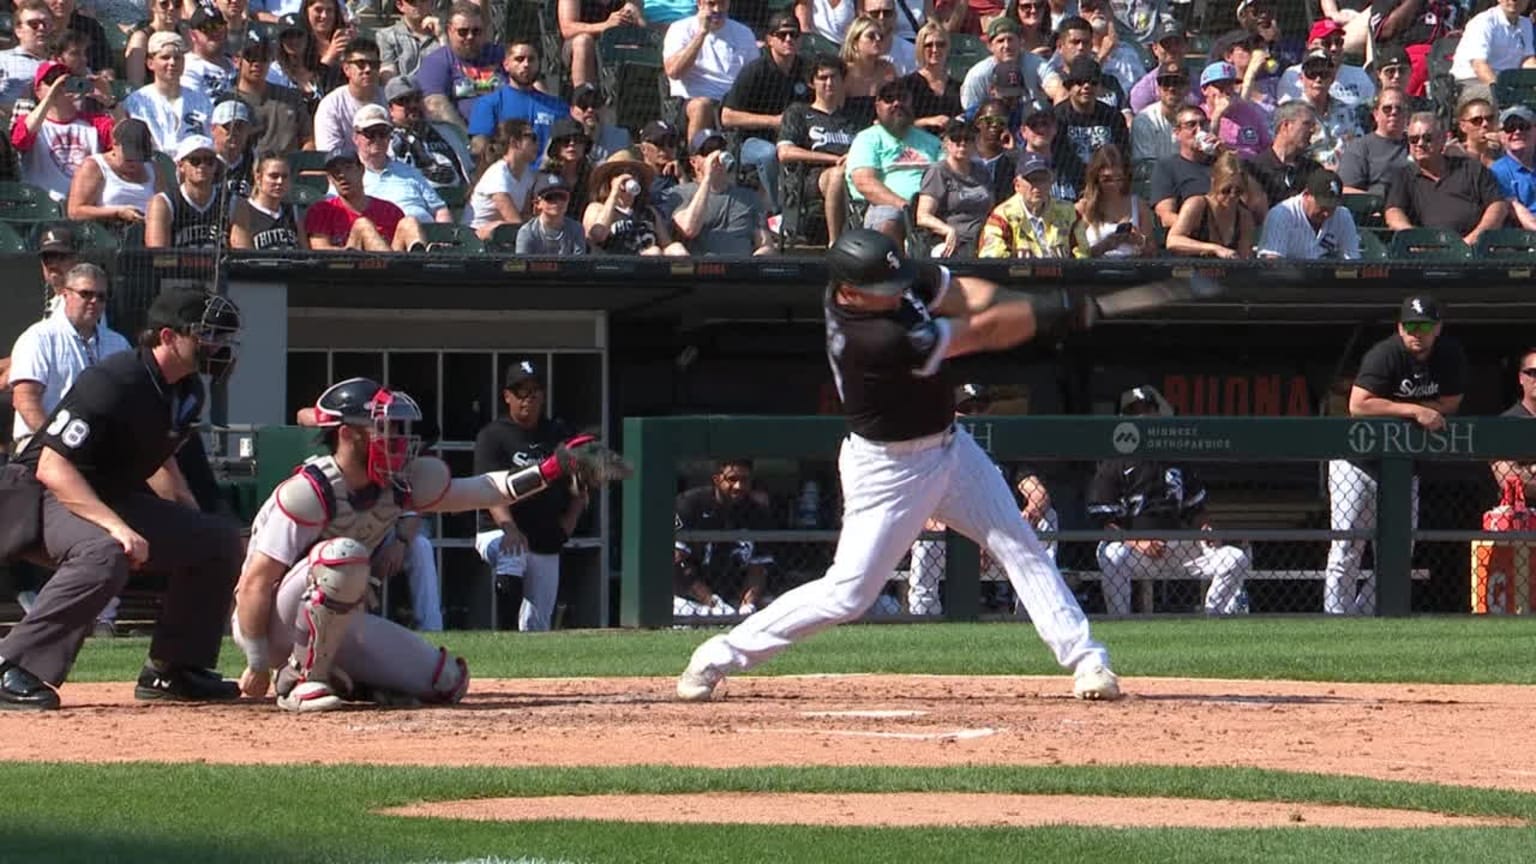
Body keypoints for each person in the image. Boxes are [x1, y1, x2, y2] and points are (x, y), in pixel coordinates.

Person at [675, 229, 1121, 703]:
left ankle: (1087, 659)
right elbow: (985, 331)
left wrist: (1040, 305)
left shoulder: (882, 275)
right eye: (884, 292)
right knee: (847, 595)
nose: (896, 295)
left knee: (1021, 545)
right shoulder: (874, 339)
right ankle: (718, 655)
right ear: (848, 292)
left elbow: (967, 293)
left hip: (952, 448)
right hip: (889, 470)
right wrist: (1049, 316)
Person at [233, 376, 624, 710]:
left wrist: (552, 468)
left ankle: (345, 679)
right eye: (384, 429)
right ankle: (299, 679)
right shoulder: (308, 491)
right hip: (275, 625)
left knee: (447, 681)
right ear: (348, 434)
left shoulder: (399, 482)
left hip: (339, 620)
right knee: (343, 556)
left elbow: (485, 490)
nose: (398, 440)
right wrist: (256, 660)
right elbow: (254, 582)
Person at [0, 288, 244, 710]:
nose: (217, 347)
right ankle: (11, 664)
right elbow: (52, 467)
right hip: (44, 495)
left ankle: (175, 670)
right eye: (206, 336)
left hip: (108, 495)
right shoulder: (114, 379)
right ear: (168, 336)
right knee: (107, 551)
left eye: (221, 337)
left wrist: (194, 525)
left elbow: (162, 466)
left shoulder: (186, 391)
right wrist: (117, 526)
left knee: (217, 541)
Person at [1326, 294, 1464, 616]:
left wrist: (1399, 412)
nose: (1418, 333)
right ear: (1400, 328)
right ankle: (1336, 621)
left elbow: (1451, 402)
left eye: (1425, 326)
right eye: (1411, 325)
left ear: (1438, 328)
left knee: (1400, 548)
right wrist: (1415, 411)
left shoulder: (1449, 355)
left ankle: (1367, 615)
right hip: (1356, 463)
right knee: (1347, 546)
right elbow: (1359, 405)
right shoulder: (1385, 354)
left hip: (1403, 466)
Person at [1088, 385, 1249, 617]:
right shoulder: (1114, 462)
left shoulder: (1176, 459)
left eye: (1148, 409)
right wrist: (1137, 542)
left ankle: (1213, 616)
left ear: (1157, 414)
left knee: (1236, 559)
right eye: (1135, 411)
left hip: (1180, 548)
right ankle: (1119, 621)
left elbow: (1196, 510)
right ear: (1124, 419)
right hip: (1136, 551)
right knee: (1112, 554)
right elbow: (1106, 522)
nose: (1143, 415)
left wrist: (1206, 528)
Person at [906, 383, 1059, 618]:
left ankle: (1030, 612)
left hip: (998, 540)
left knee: (1048, 518)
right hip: (950, 540)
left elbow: (1037, 493)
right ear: (952, 414)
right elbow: (920, 506)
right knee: (927, 538)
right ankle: (923, 614)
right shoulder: (936, 450)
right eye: (967, 409)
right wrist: (967, 536)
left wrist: (1028, 515)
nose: (975, 415)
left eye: (981, 408)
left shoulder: (1001, 449)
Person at [471, 362, 592, 632]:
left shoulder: (557, 433)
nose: (528, 398)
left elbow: (579, 484)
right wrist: (509, 527)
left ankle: (524, 661)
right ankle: (505, 635)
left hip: (546, 534)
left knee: (538, 624)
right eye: (521, 392)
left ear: (543, 395)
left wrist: (568, 523)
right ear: (507, 397)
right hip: (498, 530)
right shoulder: (493, 435)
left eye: (534, 391)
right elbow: (489, 489)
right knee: (513, 552)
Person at [719, 10, 806, 213]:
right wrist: (773, 121)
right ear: (769, 39)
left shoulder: (806, 69)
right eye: (782, 35)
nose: (788, 39)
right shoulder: (755, 70)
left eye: (794, 34)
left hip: (796, 139)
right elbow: (727, 116)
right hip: (752, 140)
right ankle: (778, 212)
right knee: (768, 154)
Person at [1384, 112, 1508, 248]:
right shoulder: (1403, 176)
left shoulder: (1472, 169)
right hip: (1423, 255)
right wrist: (1413, 238)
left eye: (1428, 138)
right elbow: (1393, 212)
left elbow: (1498, 206)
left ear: (1443, 139)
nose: (1420, 144)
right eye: (1413, 139)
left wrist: (1473, 239)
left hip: (1472, 252)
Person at [674, 458, 777, 617]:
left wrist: (747, 604)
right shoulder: (689, 504)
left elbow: (758, 569)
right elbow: (676, 561)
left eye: (745, 480)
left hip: (733, 597)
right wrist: (712, 601)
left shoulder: (757, 512)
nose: (738, 486)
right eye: (732, 479)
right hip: (688, 598)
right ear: (717, 479)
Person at [846, 78, 941, 243]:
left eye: (902, 97)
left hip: (932, 207)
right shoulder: (867, 138)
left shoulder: (931, 141)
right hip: (885, 207)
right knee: (890, 218)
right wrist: (904, 206)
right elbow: (864, 182)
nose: (897, 103)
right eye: (889, 98)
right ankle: (896, 268)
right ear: (877, 107)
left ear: (911, 102)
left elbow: (950, 173)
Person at [777, 55, 858, 244]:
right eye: (822, 78)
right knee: (837, 175)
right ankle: (835, 242)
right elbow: (785, 153)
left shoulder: (854, 117)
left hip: (855, 172)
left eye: (834, 77)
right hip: (812, 177)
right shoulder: (799, 112)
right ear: (811, 83)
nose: (829, 83)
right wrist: (833, 159)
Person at [11, 60, 114, 204]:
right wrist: (51, 94)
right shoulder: (31, 121)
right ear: (38, 91)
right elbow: (20, 140)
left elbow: (126, 145)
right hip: (42, 205)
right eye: (51, 81)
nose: (61, 86)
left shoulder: (95, 122)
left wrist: (111, 102)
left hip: (86, 206)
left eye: (66, 80)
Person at [662, 0, 760, 142]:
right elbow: (673, 71)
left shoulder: (744, 33)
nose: (717, 9)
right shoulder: (680, 29)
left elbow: (754, 77)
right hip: (690, 101)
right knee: (702, 106)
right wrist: (701, 34)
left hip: (732, 103)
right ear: (699, 3)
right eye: (711, 3)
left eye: (722, 3)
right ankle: (695, 159)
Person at [669, 128, 776, 256]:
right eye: (708, 150)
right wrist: (708, 177)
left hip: (740, 270)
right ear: (694, 162)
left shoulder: (749, 197)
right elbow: (688, 229)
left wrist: (756, 262)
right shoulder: (681, 193)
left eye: (720, 148)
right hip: (702, 271)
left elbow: (765, 243)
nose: (716, 154)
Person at [303, 147, 426, 251]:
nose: (342, 175)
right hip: (350, 271)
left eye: (348, 168)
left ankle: (423, 261)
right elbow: (320, 249)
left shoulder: (389, 210)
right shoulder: (322, 211)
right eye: (335, 172)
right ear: (329, 178)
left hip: (398, 270)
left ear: (361, 170)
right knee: (363, 226)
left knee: (409, 222)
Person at [465, 38, 567, 163]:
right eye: (519, 59)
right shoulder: (488, 104)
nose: (526, 64)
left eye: (531, 59)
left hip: (548, 177)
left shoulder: (557, 106)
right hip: (508, 177)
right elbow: (479, 149)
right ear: (506, 65)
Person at [415, 2, 505, 131]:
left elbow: (533, 86)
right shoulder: (436, 61)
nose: (470, 36)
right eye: (463, 32)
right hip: (463, 140)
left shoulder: (500, 55)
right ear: (449, 31)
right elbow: (435, 104)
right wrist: (466, 140)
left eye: (476, 31)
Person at [353, 104, 449, 224]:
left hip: (427, 235)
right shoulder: (350, 176)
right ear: (356, 137)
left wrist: (444, 238)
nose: (377, 138)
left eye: (383, 133)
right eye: (370, 133)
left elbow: (439, 209)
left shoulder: (409, 172)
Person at [122, 31, 214, 156]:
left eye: (177, 58)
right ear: (150, 63)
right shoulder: (136, 101)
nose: (172, 63)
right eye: (165, 57)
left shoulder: (201, 101)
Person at [977, 152, 1086, 258]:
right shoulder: (1002, 216)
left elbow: (1082, 256)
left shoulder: (1069, 212)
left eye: (1042, 179)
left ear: (1051, 182)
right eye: (1031, 180)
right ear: (1017, 185)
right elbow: (993, 260)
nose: (1037, 186)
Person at [583, 149, 688, 255]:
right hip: (616, 266)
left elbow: (666, 244)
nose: (627, 177)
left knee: (675, 247)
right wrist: (614, 194)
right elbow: (597, 236)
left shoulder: (649, 211)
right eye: (619, 173)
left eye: (632, 173)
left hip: (650, 263)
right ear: (609, 180)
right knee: (653, 252)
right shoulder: (596, 208)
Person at [914, 118, 992, 257]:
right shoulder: (938, 171)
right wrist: (947, 230)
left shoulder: (982, 171)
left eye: (968, 139)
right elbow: (922, 216)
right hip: (952, 240)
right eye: (956, 138)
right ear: (947, 143)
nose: (962, 143)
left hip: (984, 237)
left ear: (975, 144)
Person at [1052, 56, 1129, 196]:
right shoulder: (1057, 117)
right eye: (1080, 82)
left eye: (1093, 82)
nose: (1086, 87)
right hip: (1069, 185)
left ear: (1099, 87)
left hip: (1106, 183)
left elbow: (1121, 155)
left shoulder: (1113, 117)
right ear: (1070, 87)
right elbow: (1060, 157)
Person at [65, 117, 157, 231]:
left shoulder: (153, 167)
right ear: (115, 144)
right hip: (108, 233)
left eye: (140, 158)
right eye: (129, 158)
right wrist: (117, 212)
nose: (135, 163)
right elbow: (75, 212)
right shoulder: (94, 166)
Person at [233, 29, 314, 155]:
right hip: (247, 171)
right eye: (251, 56)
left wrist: (301, 165)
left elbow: (308, 139)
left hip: (290, 169)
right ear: (237, 60)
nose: (257, 63)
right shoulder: (229, 102)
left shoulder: (290, 97)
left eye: (263, 57)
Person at [385, 76, 472, 190]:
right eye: (404, 101)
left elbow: (470, 169)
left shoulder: (449, 131)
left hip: (461, 200)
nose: (413, 105)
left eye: (417, 98)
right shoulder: (385, 141)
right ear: (391, 108)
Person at [1167, 151, 1254, 260]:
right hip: (1192, 270)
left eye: (1238, 191)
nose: (1232, 196)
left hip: (1227, 273)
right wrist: (1214, 248)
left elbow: (1244, 254)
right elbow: (1173, 240)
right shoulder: (1197, 204)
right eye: (1226, 190)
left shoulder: (1243, 216)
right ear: (1214, 183)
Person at [1257, 169, 1360, 260]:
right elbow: (1272, 264)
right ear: (1306, 195)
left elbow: (1352, 260)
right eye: (1322, 207)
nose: (1326, 213)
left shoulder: (1343, 215)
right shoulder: (1281, 214)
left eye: (1332, 208)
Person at [1449, 0, 1536, 105]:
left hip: (1510, 83)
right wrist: (1501, 92)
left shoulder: (1526, 24)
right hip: (1471, 83)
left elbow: (1527, 60)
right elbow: (1479, 66)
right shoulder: (1483, 21)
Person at [1075, 144, 1154, 258]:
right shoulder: (1083, 208)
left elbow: (1152, 252)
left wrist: (1139, 241)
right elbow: (1074, 254)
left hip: (1131, 269)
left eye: (1119, 178)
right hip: (1093, 270)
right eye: (1107, 179)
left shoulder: (1138, 206)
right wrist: (1106, 245)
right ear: (1096, 179)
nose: (1114, 185)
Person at [464, 118, 537, 239]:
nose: (537, 144)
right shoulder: (498, 175)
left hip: (504, 236)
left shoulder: (527, 174)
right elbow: (515, 222)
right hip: (474, 238)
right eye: (532, 138)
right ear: (514, 142)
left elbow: (525, 215)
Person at [145, 135, 222, 248]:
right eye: (195, 161)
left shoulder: (231, 203)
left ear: (215, 165)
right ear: (181, 166)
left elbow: (243, 256)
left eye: (209, 161)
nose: (202, 165)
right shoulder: (163, 203)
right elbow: (157, 255)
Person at [1246, 100, 1323, 208]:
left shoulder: (1313, 170)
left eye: (1313, 125)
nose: (1312, 130)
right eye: (1306, 124)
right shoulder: (1254, 168)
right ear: (1285, 126)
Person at [312, 38, 383, 152]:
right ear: (346, 69)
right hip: (346, 168)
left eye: (374, 64)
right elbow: (329, 152)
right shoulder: (330, 105)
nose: (368, 69)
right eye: (360, 64)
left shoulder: (389, 99)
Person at [960, 16, 1042, 114]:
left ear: (1021, 42)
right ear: (990, 46)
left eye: (1010, 39)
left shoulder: (1034, 65)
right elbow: (970, 113)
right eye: (1000, 41)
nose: (1006, 46)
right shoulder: (977, 75)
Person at [557, 0, 644, 90]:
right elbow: (567, 29)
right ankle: (584, 99)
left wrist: (633, 18)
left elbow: (642, 27)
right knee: (583, 42)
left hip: (613, 44)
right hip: (576, 46)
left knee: (638, 45)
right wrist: (605, 26)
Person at [1336, 90, 1409, 196]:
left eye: (1399, 109)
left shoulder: (1416, 144)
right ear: (1376, 114)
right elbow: (1345, 189)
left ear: (1406, 114)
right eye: (1387, 109)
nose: (1394, 112)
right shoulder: (1360, 147)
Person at [230, 152, 308, 248]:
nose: (280, 182)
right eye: (273, 176)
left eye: (284, 176)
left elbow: (304, 252)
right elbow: (241, 255)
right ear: (258, 178)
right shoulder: (243, 211)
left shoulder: (293, 212)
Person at [1198, 60, 1270, 160]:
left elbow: (1267, 149)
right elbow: (1204, 151)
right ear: (1205, 90)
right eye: (1220, 86)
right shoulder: (1199, 114)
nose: (1227, 91)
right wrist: (1217, 115)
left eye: (1230, 85)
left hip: (1251, 169)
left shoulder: (1249, 112)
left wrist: (1232, 150)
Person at [1491, 348, 1536, 502]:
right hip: (1522, 518)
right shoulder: (1505, 423)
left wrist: (1529, 470)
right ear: (1521, 378)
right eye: (1533, 373)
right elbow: (1509, 480)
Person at [903, 19, 962, 132]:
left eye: (940, 45)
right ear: (920, 48)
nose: (935, 50)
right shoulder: (907, 84)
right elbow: (897, 123)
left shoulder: (958, 86)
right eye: (929, 45)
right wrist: (929, 121)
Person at [1128, 20, 1197, 114]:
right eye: (1166, 44)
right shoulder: (1143, 90)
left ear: (1186, 46)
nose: (1173, 49)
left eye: (1177, 43)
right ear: (1155, 49)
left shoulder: (1200, 82)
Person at [0, 0, 55, 112]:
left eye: (46, 23)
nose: (41, 28)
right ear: (18, 30)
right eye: (34, 24)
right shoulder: (3, 60)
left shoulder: (63, 62)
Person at [515, 172, 588, 255]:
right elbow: (523, 265)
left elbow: (580, 265)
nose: (557, 202)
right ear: (537, 203)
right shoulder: (527, 232)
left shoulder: (576, 229)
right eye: (550, 197)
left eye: (562, 197)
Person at [1130, 61, 1186, 164]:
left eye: (1177, 82)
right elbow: (1146, 166)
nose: (1171, 88)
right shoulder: (1144, 120)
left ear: (1187, 87)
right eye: (1166, 83)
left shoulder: (1195, 119)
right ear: (1158, 88)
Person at [1491, 106, 1536, 232]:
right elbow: (1516, 210)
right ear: (1500, 136)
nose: (1517, 132)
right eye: (1510, 127)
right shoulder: (1498, 172)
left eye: (1523, 126)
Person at [376, 0, 441, 83]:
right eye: (412, 2)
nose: (418, 5)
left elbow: (454, 66)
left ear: (432, 3)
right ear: (400, 5)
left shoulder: (447, 33)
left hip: (438, 91)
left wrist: (442, 36)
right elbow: (388, 72)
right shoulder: (387, 36)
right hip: (405, 92)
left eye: (423, 0)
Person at [181, 4, 235, 102]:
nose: (214, 32)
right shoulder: (187, 65)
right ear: (193, 35)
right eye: (207, 28)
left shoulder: (233, 64)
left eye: (219, 27)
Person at [125, 0, 184, 88]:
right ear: (152, 5)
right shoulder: (141, 38)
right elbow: (136, 82)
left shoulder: (185, 33)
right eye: (164, 3)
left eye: (177, 4)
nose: (171, 8)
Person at [1448, 97, 1504, 171]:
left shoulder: (1502, 153)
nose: (1485, 124)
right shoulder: (1456, 155)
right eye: (1477, 120)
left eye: (1489, 118)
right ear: (1463, 126)